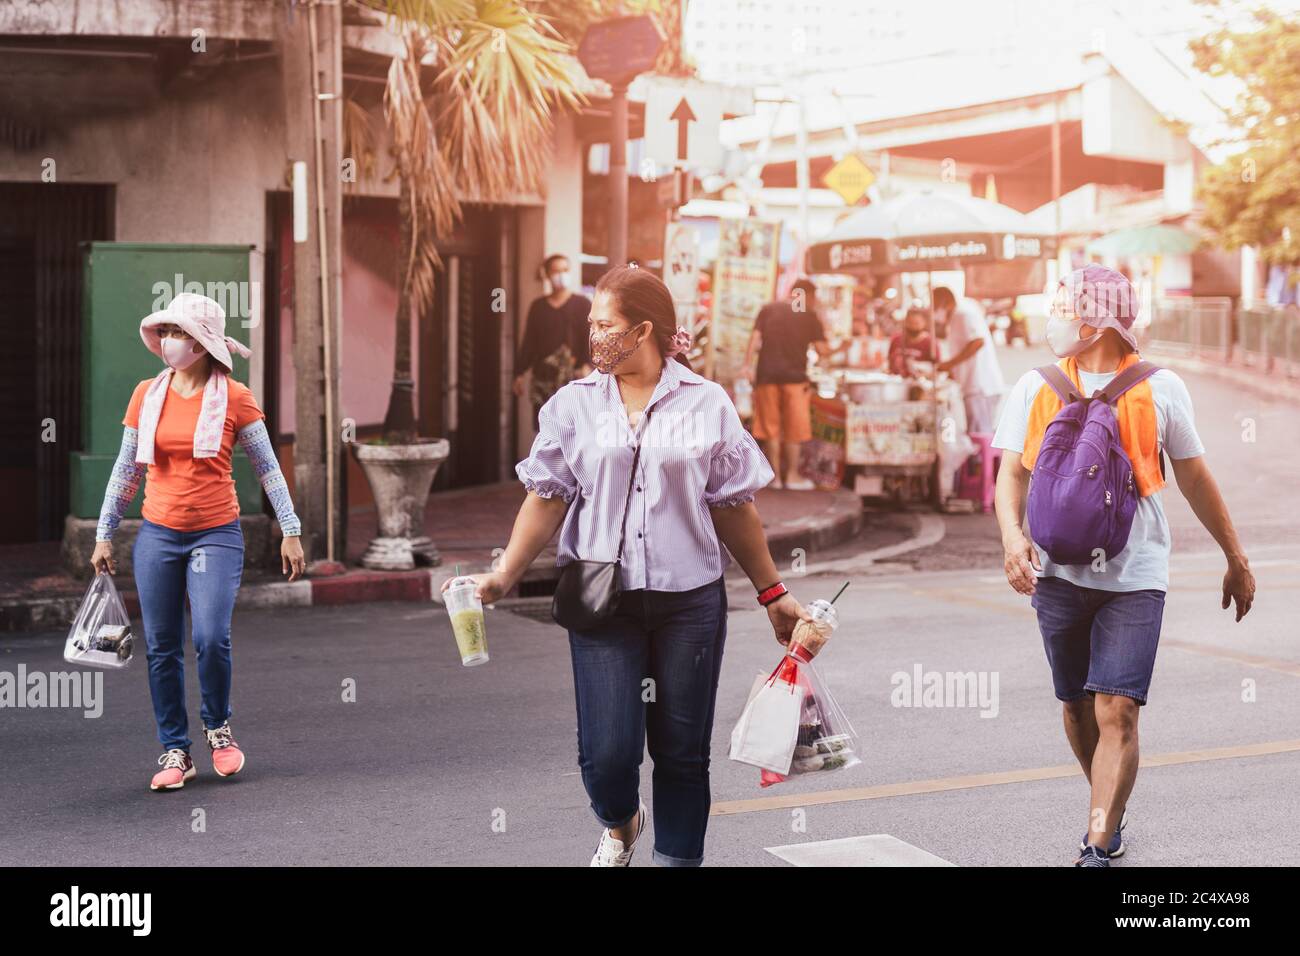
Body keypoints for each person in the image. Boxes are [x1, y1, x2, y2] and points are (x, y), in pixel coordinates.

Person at [446, 265, 812, 867]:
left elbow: (733, 506)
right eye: (592, 325)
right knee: (609, 754)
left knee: (682, 752)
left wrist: (773, 593)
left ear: (643, 330)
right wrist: (501, 575)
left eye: (604, 325)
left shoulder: (706, 403)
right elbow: (547, 496)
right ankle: (620, 820)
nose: (594, 336)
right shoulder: (574, 405)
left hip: (689, 602)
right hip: (601, 601)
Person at [992, 265, 1255, 867]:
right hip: (1057, 574)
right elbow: (1011, 473)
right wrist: (1012, 539)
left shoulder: (1160, 388)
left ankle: (1098, 841)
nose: (1055, 318)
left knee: (1119, 708)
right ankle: (1107, 802)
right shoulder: (1035, 387)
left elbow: (1193, 475)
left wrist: (1235, 557)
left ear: (1097, 321)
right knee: (1078, 705)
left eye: (1067, 307)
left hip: (1135, 575)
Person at [90, 293, 306, 791]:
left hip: (216, 533)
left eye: (181, 334)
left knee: (210, 636)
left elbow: (268, 469)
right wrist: (105, 533)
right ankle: (175, 751)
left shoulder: (234, 396)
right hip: (158, 535)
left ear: (204, 344)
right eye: (166, 332)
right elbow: (126, 471)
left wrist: (290, 530)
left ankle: (218, 730)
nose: (170, 342)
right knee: (162, 647)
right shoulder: (146, 393)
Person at [742, 278, 832, 490]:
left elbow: (754, 338)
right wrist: (843, 346)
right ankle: (792, 476)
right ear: (808, 295)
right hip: (795, 378)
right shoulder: (809, 315)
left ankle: (775, 478)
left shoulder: (769, 309)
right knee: (795, 428)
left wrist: (747, 365)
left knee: (770, 427)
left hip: (766, 375)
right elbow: (822, 351)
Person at [513, 254, 592, 430]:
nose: (561, 275)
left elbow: (590, 337)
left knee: (572, 429)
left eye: (565, 270)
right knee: (546, 430)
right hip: (543, 380)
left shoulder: (583, 304)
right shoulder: (538, 306)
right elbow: (530, 341)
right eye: (556, 271)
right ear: (547, 275)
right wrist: (519, 372)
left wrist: (586, 364)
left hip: (573, 379)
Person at [932, 286, 1005, 434]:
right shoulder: (955, 318)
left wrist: (950, 364)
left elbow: (978, 342)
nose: (934, 311)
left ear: (945, 302)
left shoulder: (964, 314)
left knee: (980, 435)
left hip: (981, 386)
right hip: (971, 387)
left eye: (936, 306)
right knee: (976, 434)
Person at [888, 307, 939, 375]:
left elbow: (936, 367)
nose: (913, 326)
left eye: (916, 323)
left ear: (924, 324)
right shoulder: (896, 339)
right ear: (905, 322)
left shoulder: (931, 343)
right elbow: (889, 362)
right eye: (910, 323)